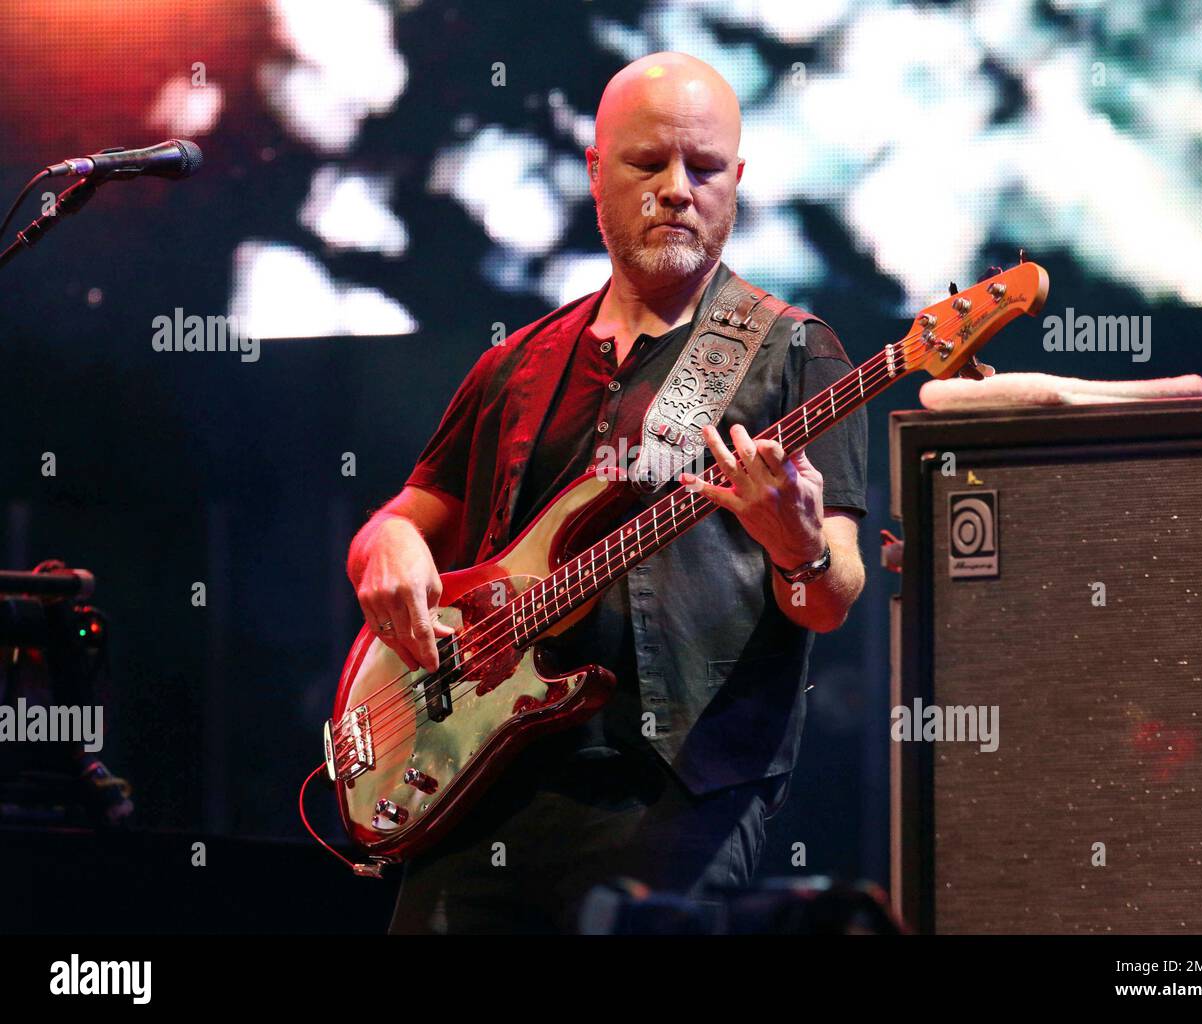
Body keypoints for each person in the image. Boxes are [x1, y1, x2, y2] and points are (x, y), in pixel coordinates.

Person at [346, 51, 869, 934]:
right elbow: (402, 518)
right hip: (480, 775)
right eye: (647, 164)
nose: (677, 189)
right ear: (595, 171)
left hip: (674, 800)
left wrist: (799, 546)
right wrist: (386, 545)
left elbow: (830, 597)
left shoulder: (792, 354)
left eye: (704, 169)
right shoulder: (515, 364)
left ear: (736, 181)